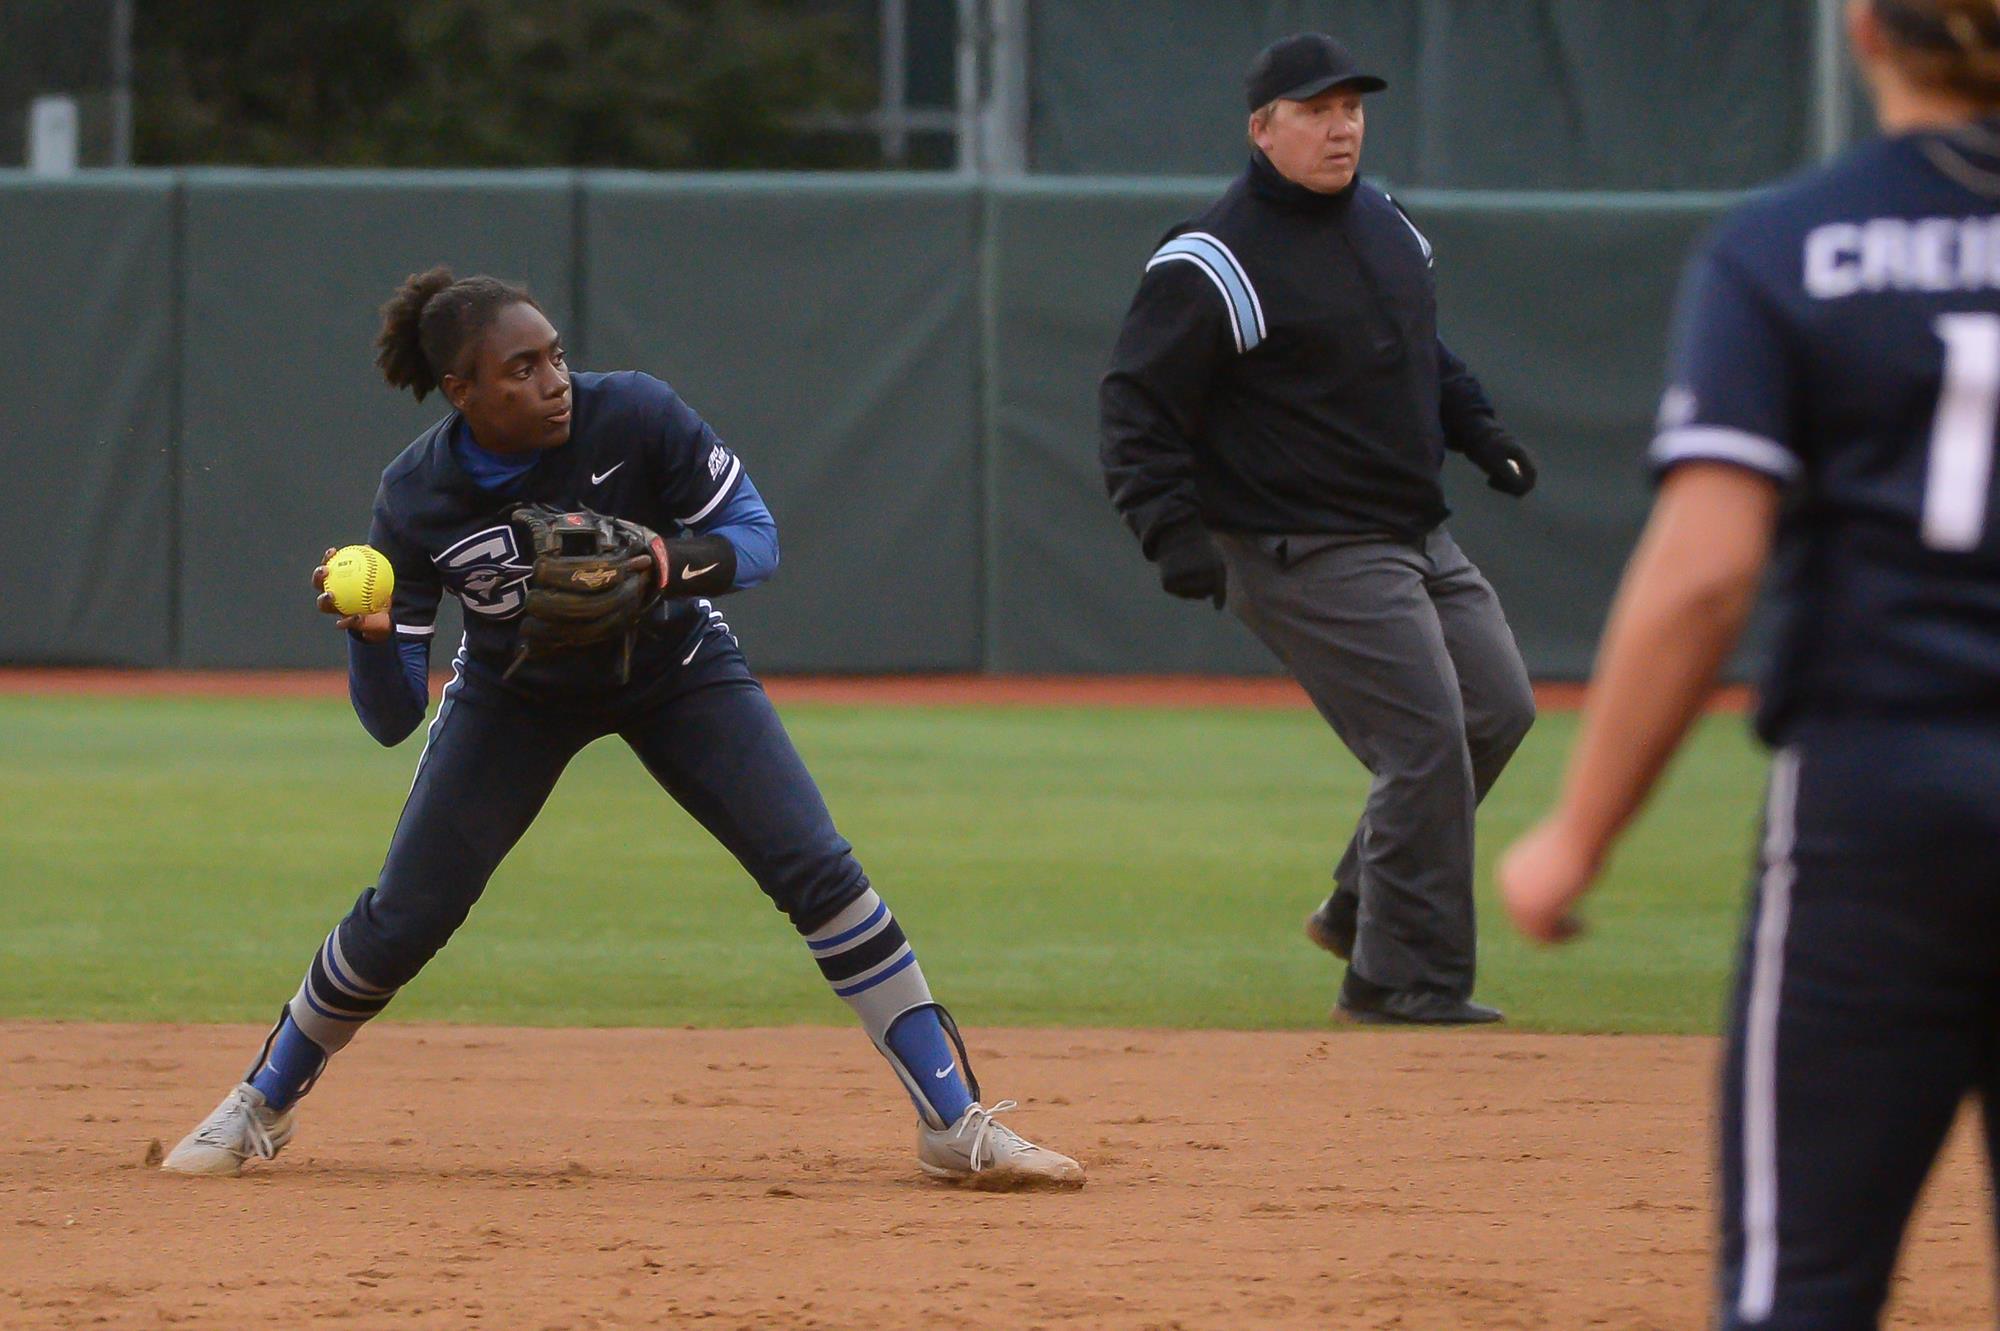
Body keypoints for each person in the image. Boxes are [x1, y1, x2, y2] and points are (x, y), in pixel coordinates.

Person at [161, 267, 1083, 1190]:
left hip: (674, 668)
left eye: (555, 355)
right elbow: (394, 718)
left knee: (817, 868)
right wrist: (369, 637)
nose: (553, 379)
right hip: (513, 695)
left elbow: (756, 538)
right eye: (520, 367)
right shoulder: (418, 495)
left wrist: (663, 559)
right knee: (406, 915)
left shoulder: (634, 414)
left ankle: (952, 1120)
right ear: (463, 391)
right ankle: (258, 1103)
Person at [1499, 1, 2000, 1322]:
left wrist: (1579, 834)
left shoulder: (1787, 245)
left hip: (1878, 813)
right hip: (1884, 802)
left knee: (1805, 1288)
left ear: (1863, 30)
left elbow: (1707, 572)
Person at [1100, 33, 1539, 1024]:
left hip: (1412, 528)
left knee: (1494, 710)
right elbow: (1135, 404)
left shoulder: (1382, 223)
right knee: (1424, 737)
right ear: (1261, 130)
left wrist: (1480, 433)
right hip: (1296, 542)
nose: (1340, 126)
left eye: (1351, 108)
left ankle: (1361, 905)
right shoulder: (1211, 259)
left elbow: (1419, 349)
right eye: (1315, 110)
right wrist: (1168, 530)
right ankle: (1396, 979)